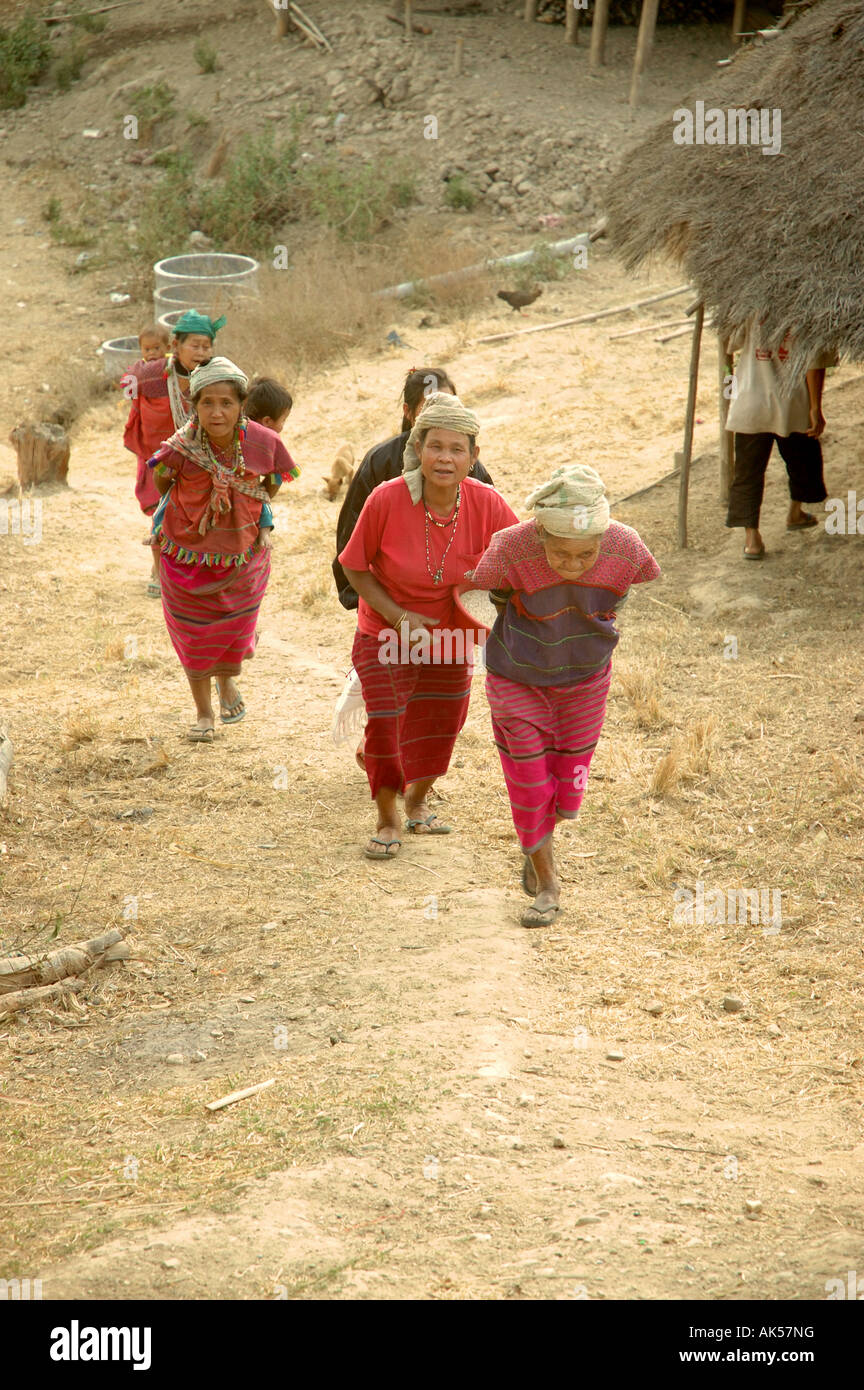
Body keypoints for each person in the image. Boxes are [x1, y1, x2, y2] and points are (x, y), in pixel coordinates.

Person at [470, 465, 660, 928]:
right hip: (517, 678)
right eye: (561, 554)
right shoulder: (511, 546)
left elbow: (631, 583)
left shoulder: (625, 544)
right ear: (539, 534)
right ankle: (549, 882)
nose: (574, 564)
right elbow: (478, 593)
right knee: (531, 781)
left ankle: (537, 842)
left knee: (566, 789)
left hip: (585, 679)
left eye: (586, 554)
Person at [338, 392, 518, 860]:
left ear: (473, 457)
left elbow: (520, 559)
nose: (445, 458)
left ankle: (416, 804)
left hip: (451, 633)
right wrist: (398, 617)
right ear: (418, 449)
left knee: (444, 721)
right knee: (386, 720)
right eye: (435, 446)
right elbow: (354, 567)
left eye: (457, 449)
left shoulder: (488, 504)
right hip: (385, 631)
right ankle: (387, 817)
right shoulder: (386, 499)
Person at [148, 356, 299, 742]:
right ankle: (203, 714)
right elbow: (162, 479)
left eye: (227, 403)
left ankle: (227, 678)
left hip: (243, 558)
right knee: (192, 636)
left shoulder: (262, 441)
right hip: (184, 559)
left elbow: (281, 473)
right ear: (194, 405)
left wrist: (252, 500)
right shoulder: (181, 446)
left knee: (236, 629)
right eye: (207, 403)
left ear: (241, 405)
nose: (217, 412)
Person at [332, 367, 495, 610]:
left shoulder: (472, 472)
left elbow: (499, 546)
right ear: (409, 413)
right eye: (429, 409)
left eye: (450, 407)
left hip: (455, 609)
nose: (442, 416)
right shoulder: (381, 463)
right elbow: (351, 538)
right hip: (389, 606)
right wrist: (379, 606)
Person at [124, 310, 224, 596]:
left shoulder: (216, 373)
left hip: (200, 458)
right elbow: (128, 385)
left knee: (200, 514)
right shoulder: (153, 373)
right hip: (161, 455)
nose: (202, 352)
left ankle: (201, 570)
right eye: (195, 345)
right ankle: (158, 568)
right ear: (175, 347)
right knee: (161, 511)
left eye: (207, 346)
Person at [724, 321, 834, 560]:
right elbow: (814, 363)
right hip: (790, 403)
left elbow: (731, 342)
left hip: (751, 403)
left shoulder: (751, 306)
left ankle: (752, 540)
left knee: (747, 472)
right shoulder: (807, 312)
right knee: (803, 459)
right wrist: (815, 408)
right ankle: (795, 513)